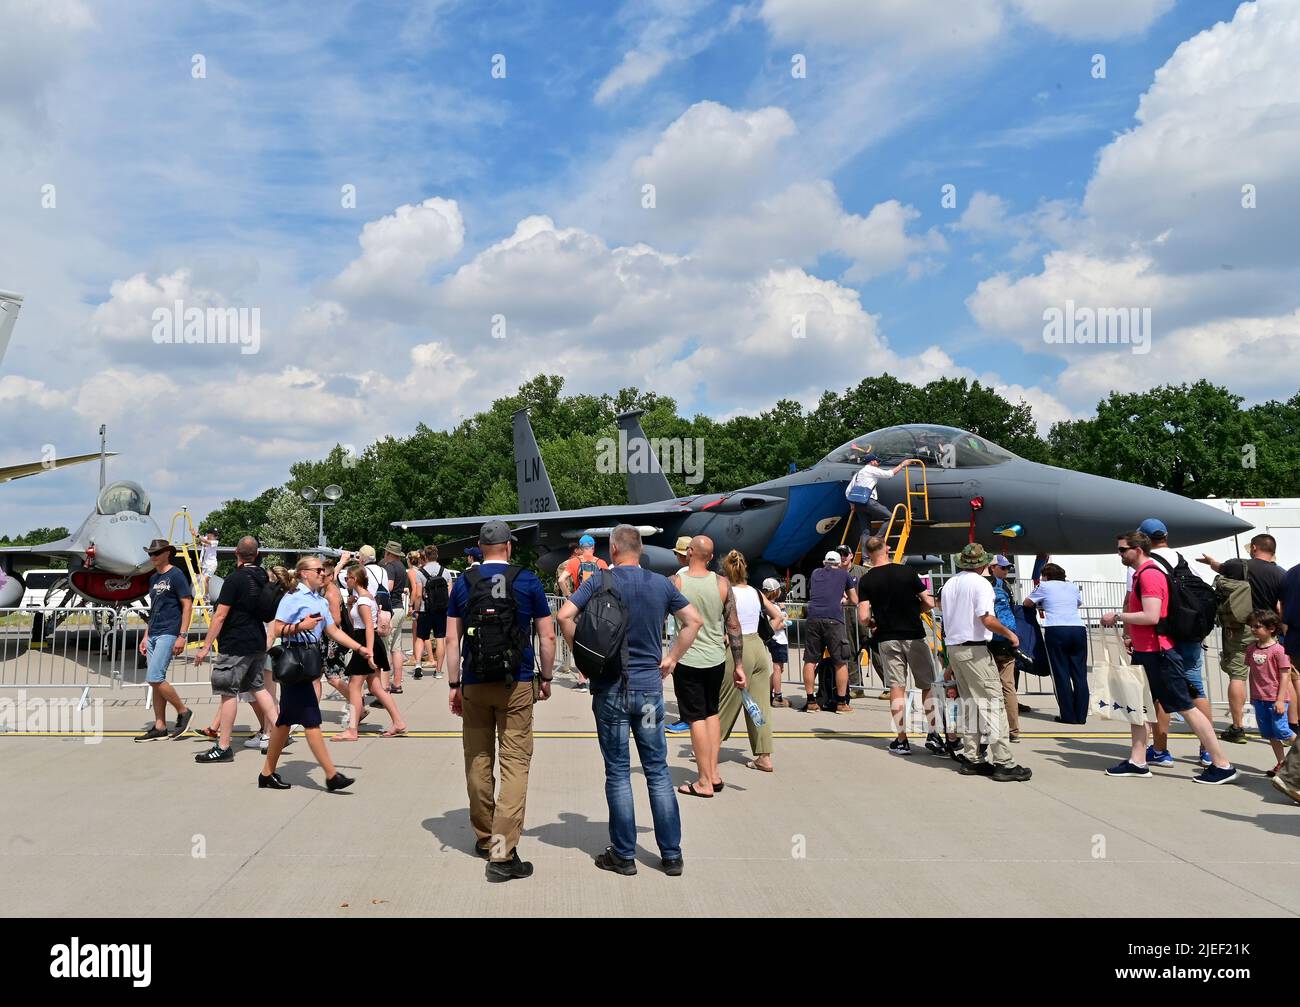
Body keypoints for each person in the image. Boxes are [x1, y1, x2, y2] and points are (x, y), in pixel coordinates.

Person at [557, 524, 703, 878]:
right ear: (641, 550)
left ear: (614, 549)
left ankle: (623, 855)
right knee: (657, 770)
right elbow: (692, 620)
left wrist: (589, 655)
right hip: (650, 692)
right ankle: (671, 854)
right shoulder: (661, 584)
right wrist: (672, 658)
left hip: (611, 690)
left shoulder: (600, 581)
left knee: (618, 771)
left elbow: (564, 615)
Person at [445, 520, 555, 883]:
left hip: (474, 682)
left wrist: (454, 684)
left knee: (477, 758)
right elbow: (546, 635)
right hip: (517, 684)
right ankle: (502, 852)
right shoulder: (527, 580)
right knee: (515, 763)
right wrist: (548, 677)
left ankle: (483, 837)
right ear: (509, 546)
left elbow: (451, 640)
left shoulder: (463, 582)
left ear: (479, 546)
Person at [1101, 531, 1237, 783]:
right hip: (1147, 652)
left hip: (1158, 654)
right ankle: (1138, 760)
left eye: (1122, 549)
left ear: (1138, 549)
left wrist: (1118, 617)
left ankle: (1222, 764)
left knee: (1186, 706)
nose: (1119, 554)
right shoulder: (1143, 573)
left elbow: (1152, 616)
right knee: (1138, 708)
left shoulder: (1150, 575)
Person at [258, 557, 372, 792]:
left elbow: (333, 631)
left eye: (324, 570)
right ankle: (331, 775)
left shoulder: (319, 601)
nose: (323, 573)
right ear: (303, 574)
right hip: (294, 662)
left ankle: (266, 773)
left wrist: (359, 647)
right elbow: (277, 628)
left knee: (284, 721)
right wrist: (301, 626)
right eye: (318, 570)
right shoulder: (292, 598)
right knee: (311, 720)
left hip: (308, 662)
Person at [938, 543, 1031, 782]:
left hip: (955, 648)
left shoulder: (950, 584)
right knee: (992, 703)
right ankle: (1004, 761)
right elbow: (986, 619)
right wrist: (1010, 634)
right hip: (975, 649)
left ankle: (973, 757)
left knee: (970, 704)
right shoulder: (981, 584)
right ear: (982, 564)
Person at [192, 535, 279, 762]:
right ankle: (278, 733)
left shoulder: (235, 579)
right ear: (257, 554)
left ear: (236, 554)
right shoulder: (263, 576)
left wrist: (206, 645)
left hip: (236, 643)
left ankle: (223, 747)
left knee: (227, 693)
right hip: (257, 642)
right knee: (258, 687)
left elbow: (220, 615)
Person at [1136, 518, 1214, 766]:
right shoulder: (1185, 559)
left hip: (1164, 635)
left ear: (1143, 539)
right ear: (1166, 535)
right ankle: (1207, 749)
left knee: (1160, 693)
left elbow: (1135, 600)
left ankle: (1160, 750)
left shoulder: (1145, 563)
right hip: (1190, 632)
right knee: (1196, 688)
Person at [671, 536, 742, 798]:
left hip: (688, 659)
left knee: (695, 718)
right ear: (711, 557)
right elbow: (733, 625)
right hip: (716, 658)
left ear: (689, 553)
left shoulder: (677, 583)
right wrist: (739, 664)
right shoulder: (722, 583)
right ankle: (713, 772)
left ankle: (703, 781)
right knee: (712, 713)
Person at [856, 535, 940, 756]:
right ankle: (933, 733)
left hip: (887, 637)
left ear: (868, 553)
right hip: (914, 635)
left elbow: (863, 616)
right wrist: (915, 611)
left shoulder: (866, 580)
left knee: (896, 687)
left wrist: (875, 621)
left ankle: (902, 739)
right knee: (927, 684)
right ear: (888, 549)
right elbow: (929, 602)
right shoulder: (907, 572)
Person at [1199, 534, 1285, 744]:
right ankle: (1285, 727)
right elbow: (1280, 606)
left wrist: (1211, 562)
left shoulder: (1238, 565)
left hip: (1241, 627)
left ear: (1255, 547)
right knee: (1280, 675)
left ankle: (1237, 728)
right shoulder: (1281, 574)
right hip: (1270, 630)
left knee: (1238, 675)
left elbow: (1220, 568)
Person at [718, 550, 783, 773]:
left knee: (726, 700)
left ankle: (710, 744)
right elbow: (777, 616)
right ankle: (764, 756)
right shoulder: (755, 592)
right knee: (760, 705)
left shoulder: (726, 592)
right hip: (757, 646)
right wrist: (763, 637)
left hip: (738, 647)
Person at [333, 564, 407, 741]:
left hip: (366, 643)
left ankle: (352, 729)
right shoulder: (363, 598)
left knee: (354, 686)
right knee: (375, 687)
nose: (346, 581)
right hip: (367, 642)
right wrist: (352, 605)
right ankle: (398, 722)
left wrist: (369, 652)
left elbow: (367, 627)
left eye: (348, 578)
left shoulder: (364, 600)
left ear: (355, 579)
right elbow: (359, 623)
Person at [134, 539, 195, 742]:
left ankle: (183, 710)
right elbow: (154, 611)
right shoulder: (153, 579)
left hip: (169, 632)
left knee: (154, 677)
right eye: (151, 554)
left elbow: (187, 605)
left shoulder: (176, 575)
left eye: (157, 553)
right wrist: (145, 635)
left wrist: (182, 635)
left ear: (167, 553)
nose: (153, 557)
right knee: (155, 681)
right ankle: (160, 725)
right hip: (154, 632)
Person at [1025, 563, 1089, 725]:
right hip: (1078, 628)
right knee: (1080, 675)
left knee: (1061, 673)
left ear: (1045, 576)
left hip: (1056, 629)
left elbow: (1027, 603)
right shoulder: (1072, 586)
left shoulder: (1044, 586)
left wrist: (1041, 604)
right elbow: (1077, 604)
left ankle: (1068, 715)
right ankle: (1081, 716)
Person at [800, 551, 859, 714]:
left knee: (810, 660)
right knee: (840, 661)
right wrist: (844, 600)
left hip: (813, 618)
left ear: (824, 562)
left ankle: (811, 701)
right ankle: (841, 703)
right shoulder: (844, 574)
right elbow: (854, 600)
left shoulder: (815, 573)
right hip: (834, 619)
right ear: (839, 563)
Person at [1245, 610, 1294, 776]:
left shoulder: (1279, 650)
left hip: (1275, 699)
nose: (1253, 629)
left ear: (1271, 628)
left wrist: (1280, 700)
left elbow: (1285, 675)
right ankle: (1282, 763)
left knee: (1283, 731)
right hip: (1259, 699)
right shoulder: (1251, 649)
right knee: (1270, 734)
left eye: (1257, 626)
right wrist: (1253, 695)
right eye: (1251, 626)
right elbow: (1252, 672)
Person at [561, 534, 607, 692]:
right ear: (593, 547)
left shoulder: (574, 562)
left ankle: (581, 680)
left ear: (580, 549)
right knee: (598, 642)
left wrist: (569, 596)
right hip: (597, 607)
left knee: (580, 642)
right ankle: (598, 677)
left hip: (578, 607)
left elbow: (561, 580)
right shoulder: (601, 563)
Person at [986, 555, 1022, 741]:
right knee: (1008, 687)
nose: (1006, 571)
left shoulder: (984, 585)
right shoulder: (1006, 587)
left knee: (988, 686)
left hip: (989, 638)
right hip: (1007, 637)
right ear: (993, 568)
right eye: (1003, 568)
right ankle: (1013, 730)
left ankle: (992, 727)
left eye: (1007, 568)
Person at [845, 451, 906, 546]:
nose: (878, 464)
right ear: (872, 462)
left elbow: (848, 491)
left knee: (865, 531)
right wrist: (902, 464)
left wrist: (852, 506)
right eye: (877, 462)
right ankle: (877, 539)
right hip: (869, 501)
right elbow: (889, 474)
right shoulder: (871, 469)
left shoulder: (858, 474)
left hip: (858, 505)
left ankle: (866, 559)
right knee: (890, 517)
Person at [416, 545, 452, 680]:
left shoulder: (420, 573)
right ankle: (438, 671)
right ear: (437, 555)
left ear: (425, 556)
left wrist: (416, 609)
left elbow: (419, 595)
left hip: (425, 610)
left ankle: (418, 664)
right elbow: (450, 593)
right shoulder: (445, 572)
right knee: (440, 638)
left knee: (421, 637)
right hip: (441, 610)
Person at [381, 541, 409, 693]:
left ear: (390, 554)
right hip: (399, 608)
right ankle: (397, 683)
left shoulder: (390, 567)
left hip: (391, 609)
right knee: (396, 648)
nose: (384, 555)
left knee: (385, 646)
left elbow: (389, 586)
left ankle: (383, 685)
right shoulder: (402, 568)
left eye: (385, 552)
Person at [1279, 559, 1300, 737]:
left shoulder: (1291, 573)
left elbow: (1283, 608)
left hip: (1294, 639)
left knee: (1295, 679)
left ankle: (1294, 721)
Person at [761, 577, 790, 707]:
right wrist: (784, 617)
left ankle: (767, 693)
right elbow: (776, 626)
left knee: (780, 668)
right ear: (775, 592)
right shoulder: (774, 608)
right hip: (778, 640)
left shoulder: (768, 606)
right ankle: (778, 697)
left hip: (775, 640)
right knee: (778, 668)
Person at [199, 530, 219, 599]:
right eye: (214, 535)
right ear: (209, 534)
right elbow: (201, 540)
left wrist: (197, 535)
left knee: (205, 580)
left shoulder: (215, 542)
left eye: (216, 535)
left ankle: (206, 596)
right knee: (203, 581)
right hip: (204, 565)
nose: (216, 537)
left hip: (212, 565)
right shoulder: (205, 538)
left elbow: (205, 541)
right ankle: (206, 598)